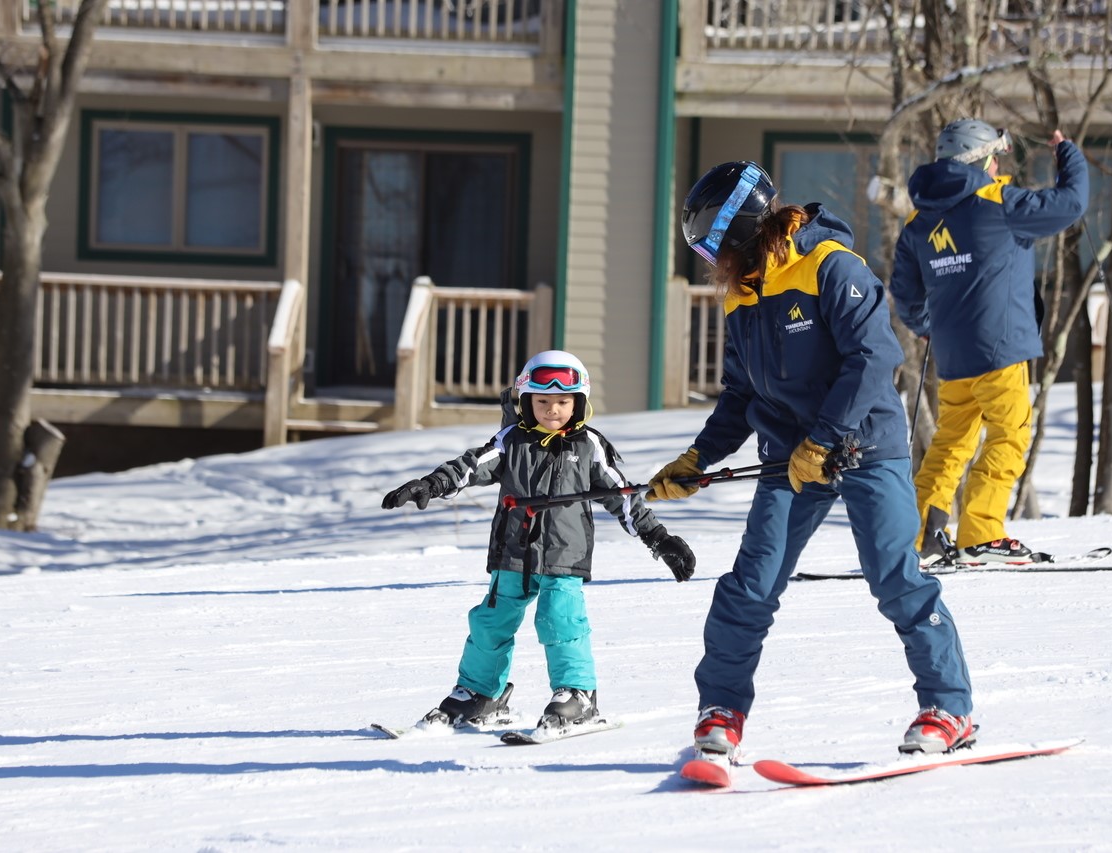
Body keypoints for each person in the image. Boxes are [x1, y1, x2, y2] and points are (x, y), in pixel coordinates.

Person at [649, 160, 974, 756]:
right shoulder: (743, 295)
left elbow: (875, 358)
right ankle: (721, 710)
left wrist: (824, 438)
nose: (713, 265)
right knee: (751, 583)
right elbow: (741, 393)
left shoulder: (829, 265)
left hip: (863, 444)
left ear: (739, 229)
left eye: (713, 249)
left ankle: (948, 707)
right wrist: (699, 456)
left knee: (895, 577)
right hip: (788, 456)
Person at [382, 349, 696, 733]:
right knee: (490, 622)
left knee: (559, 619)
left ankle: (577, 695)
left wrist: (659, 539)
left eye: (563, 402)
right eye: (542, 401)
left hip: (564, 556)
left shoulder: (589, 447)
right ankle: (479, 693)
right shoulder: (510, 441)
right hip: (512, 553)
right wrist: (431, 484)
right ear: (527, 402)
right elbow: (471, 466)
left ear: (578, 403)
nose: (552, 410)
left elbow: (624, 498)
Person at [890, 119, 1089, 565]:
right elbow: (1072, 202)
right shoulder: (999, 202)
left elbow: (905, 291)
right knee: (1009, 434)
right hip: (1001, 349)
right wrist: (1068, 154)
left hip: (953, 356)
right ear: (981, 160)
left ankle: (920, 536)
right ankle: (981, 533)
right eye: (995, 157)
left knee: (951, 441)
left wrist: (925, 326)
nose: (998, 166)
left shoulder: (918, 219)